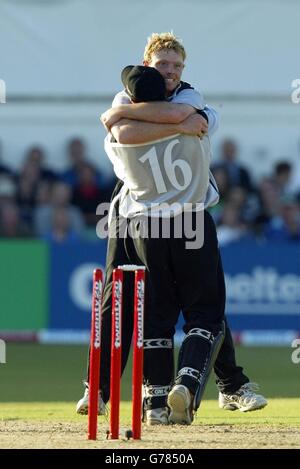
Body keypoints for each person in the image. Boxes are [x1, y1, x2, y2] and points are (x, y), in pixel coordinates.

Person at [76, 32, 267, 423]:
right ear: (147, 64)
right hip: (140, 218)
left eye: (176, 65)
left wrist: (118, 118)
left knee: (185, 306)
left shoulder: (184, 98)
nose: (171, 72)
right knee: (157, 307)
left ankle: (173, 399)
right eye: (163, 65)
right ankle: (111, 392)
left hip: (158, 218)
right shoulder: (134, 100)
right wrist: (171, 123)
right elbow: (166, 124)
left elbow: (136, 128)